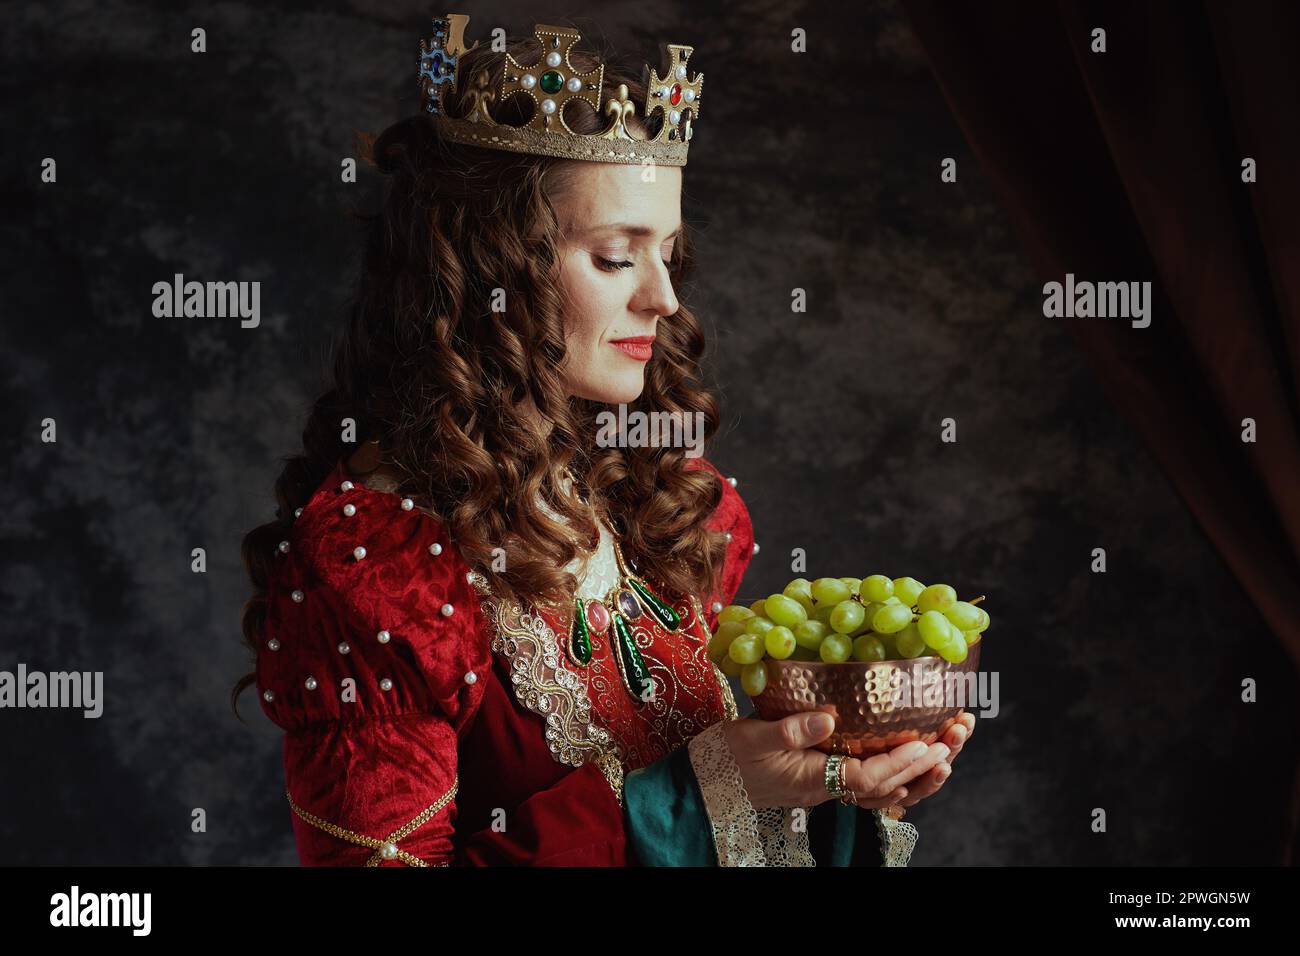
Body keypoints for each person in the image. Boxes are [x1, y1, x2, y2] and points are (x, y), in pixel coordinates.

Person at [233, 12, 973, 867]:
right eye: (617, 257)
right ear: (491, 273)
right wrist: (697, 794)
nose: (664, 298)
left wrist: (839, 778)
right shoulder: (379, 565)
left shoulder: (663, 498)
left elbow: (735, 821)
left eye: (670, 254)